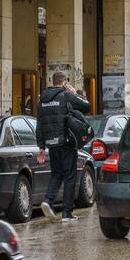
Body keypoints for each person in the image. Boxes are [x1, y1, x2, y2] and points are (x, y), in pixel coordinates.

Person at [37, 72, 91, 224]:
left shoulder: (42, 99)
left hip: (51, 143)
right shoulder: (66, 95)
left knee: (56, 173)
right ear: (64, 82)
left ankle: (48, 200)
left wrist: (41, 146)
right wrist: (75, 94)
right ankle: (67, 213)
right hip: (67, 142)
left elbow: (39, 124)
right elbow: (86, 107)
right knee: (69, 175)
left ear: (52, 81)